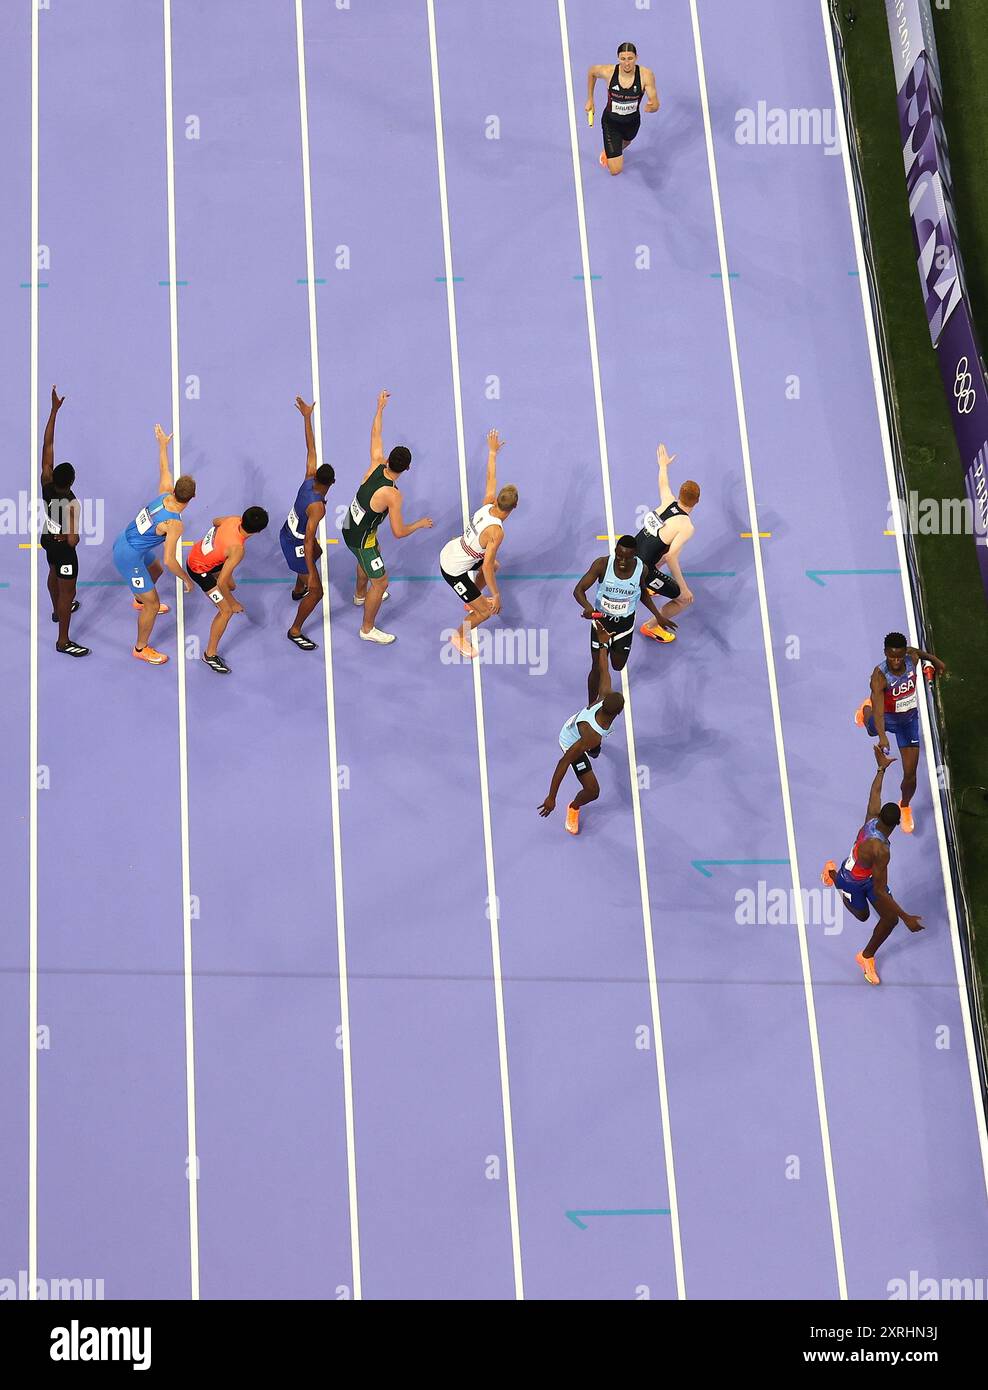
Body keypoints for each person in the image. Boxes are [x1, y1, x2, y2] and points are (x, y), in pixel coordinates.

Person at [822, 745, 924, 986]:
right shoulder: (881, 851)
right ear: (896, 824)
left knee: (889, 920)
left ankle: (866, 956)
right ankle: (832, 874)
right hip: (852, 880)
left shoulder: (872, 818)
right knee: (863, 915)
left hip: (867, 874)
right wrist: (906, 916)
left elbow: (874, 793)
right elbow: (880, 890)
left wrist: (881, 769)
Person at [342, 390, 432, 645]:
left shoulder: (376, 464)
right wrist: (420, 524)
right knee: (381, 583)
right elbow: (399, 532)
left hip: (349, 525)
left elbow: (375, 434)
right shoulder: (393, 495)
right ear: (408, 468)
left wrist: (380, 408)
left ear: (388, 459)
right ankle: (367, 629)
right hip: (361, 540)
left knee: (371, 554)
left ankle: (360, 595)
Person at [111, 424, 195, 665]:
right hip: (128, 556)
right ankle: (141, 648)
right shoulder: (174, 524)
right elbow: (170, 560)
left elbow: (164, 469)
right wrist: (186, 579)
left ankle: (139, 599)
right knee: (154, 604)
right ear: (192, 498)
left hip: (126, 540)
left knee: (155, 570)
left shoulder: (165, 493)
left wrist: (162, 445)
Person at [854, 631, 946, 834]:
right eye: (891, 657)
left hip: (908, 721)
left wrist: (935, 660)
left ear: (904, 653)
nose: (895, 661)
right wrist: (883, 737)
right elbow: (880, 711)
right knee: (870, 727)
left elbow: (918, 652)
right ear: (885, 653)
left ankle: (904, 805)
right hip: (886, 717)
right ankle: (865, 709)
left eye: (899, 656)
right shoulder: (879, 676)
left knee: (911, 776)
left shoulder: (911, 658)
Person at [439, 429, 517, 659]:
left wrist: (492, 453)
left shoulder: (487, 504)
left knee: (495, 565)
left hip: (454, 548)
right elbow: (486, 566)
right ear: (513, 508)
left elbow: (490, 479)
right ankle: (458, 636)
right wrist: (496, 595)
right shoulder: (496, 533)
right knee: (485, 612)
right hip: (452, 569)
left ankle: (473, 599)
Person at [538, 635, 625, 835]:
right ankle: (574, 807)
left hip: (584, 731)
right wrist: (552, 797)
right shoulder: (591, 736)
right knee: (593, 791)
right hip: (571, 741)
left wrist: (603, 643)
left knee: (594, 749)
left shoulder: (604, 694)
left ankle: (594, 751)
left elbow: (604, 667)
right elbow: (564, 762)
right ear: (619, 712)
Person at [573, 535, 666, 703]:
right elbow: (579, 590)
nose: (622, 561)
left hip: (624, 626)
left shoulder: (642, 569)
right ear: (615, 551)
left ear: (635, 555)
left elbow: (643, 593)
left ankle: (608, 652)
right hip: (601, 623)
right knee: (596, 667)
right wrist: (587, 606)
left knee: (617, 665)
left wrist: (658, 615)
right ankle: (590, 705)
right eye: (619, 556)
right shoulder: (602, 564)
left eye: (627, 558)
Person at [280, 397, 335, 652]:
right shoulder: (317, 508)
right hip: (296, 544)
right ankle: (295, 630)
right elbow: (308, 540)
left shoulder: (309, 476)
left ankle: (297, 589)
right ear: (332, 482)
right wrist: (312, 572)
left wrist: (306, 417)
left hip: (286, 532)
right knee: (317, 592)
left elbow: (310, 448)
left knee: (318, 552)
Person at [187, 508, 269, 674]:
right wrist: (233, 603)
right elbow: (221, 583)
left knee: (232, 586)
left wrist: (221, 541)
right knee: (226, 611)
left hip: (199, 554)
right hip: (198, 570)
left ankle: (218, 596)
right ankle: (210, 655)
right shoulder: (237, 550)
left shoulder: (233, 519)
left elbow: (215, 521)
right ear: (258, 531)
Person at [39, 386, 89, 657]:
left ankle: (56, 611)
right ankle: (63, 641)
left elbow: (47, 446)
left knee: (52, 572)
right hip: (64, 549)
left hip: (47, 538)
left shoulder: (46, 482)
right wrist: (73, 537)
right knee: (68, 592)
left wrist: (53, 412)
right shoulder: (72, 505)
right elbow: (72, 540)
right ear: (70, 482)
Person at [637, 445, 700, 644]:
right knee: (683, 600)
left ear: (679, 495)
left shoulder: (668, 501)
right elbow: (672, 557)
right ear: (697, 501)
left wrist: (663, 466)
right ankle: (650, 627)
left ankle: (649, 585)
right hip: (641, 570)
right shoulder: (686, 526)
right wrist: (684, 588)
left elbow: (663, 484)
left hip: (630, 554)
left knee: (661, 547)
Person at [585, 42, 659, 176]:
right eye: (623, 59)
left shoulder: (645, 75)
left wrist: (653, 107)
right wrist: (590, 99)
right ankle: (610, 151)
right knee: (616, 170)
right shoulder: (609, 72)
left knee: (627, 141)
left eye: (630, 58)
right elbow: (592, 72)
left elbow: (655, 104)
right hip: (611, 123)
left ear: (636, 57)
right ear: (618, 58)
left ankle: (614, 150)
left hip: (632, 122)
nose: (627, 63)